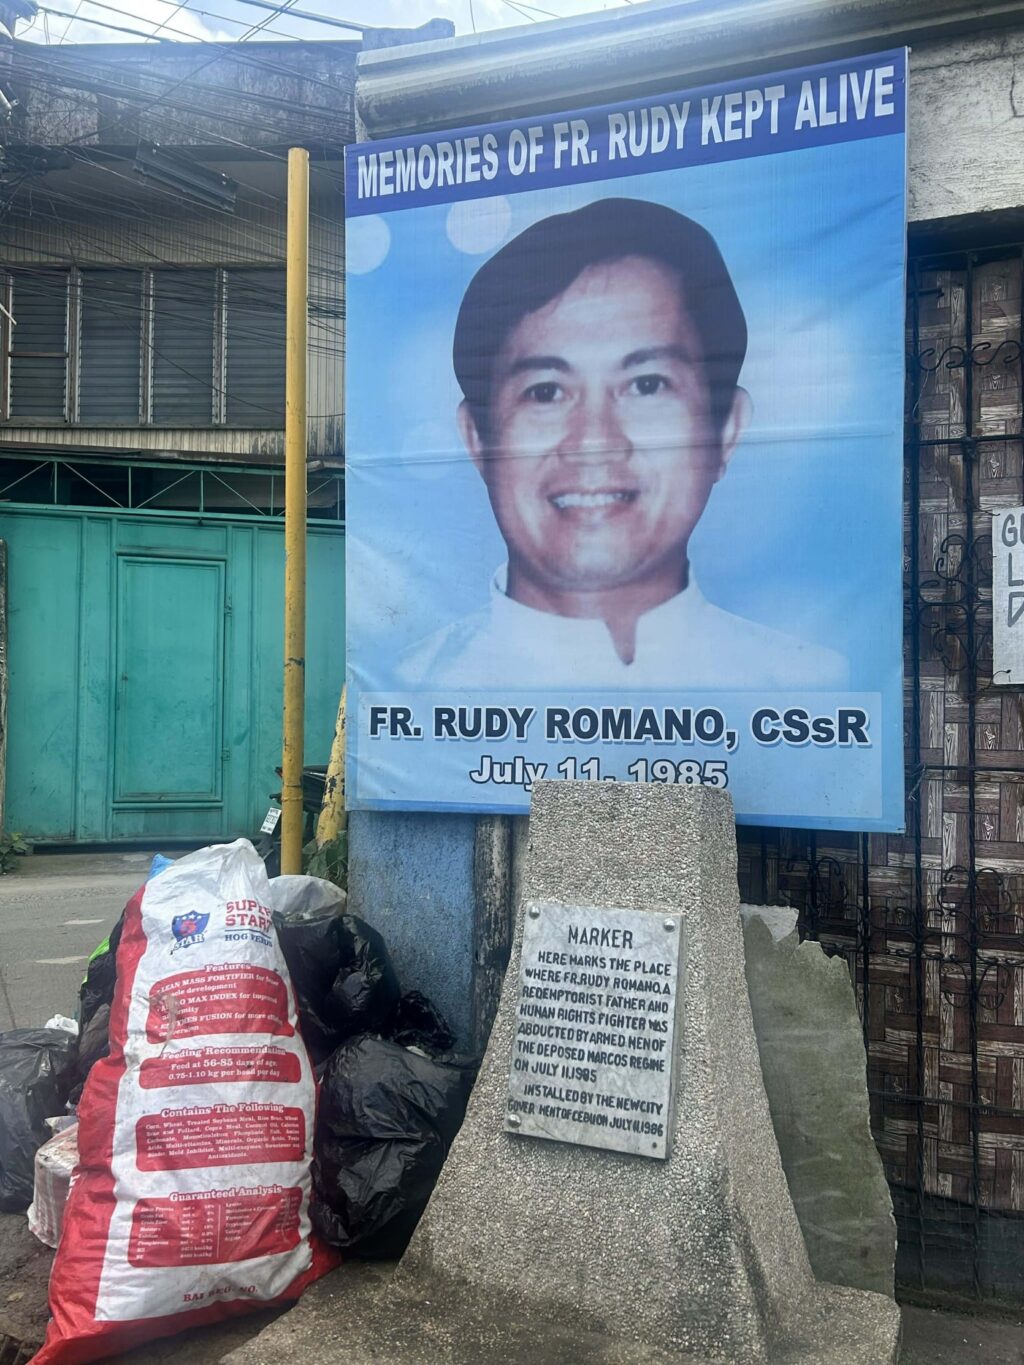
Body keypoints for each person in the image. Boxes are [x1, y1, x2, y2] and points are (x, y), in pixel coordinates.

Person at [397, 197, 848, 689]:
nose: (594, 441)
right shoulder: (411, 691)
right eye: (546, 392)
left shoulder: (808, 690)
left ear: (727, 431)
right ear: (477, 440)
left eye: (647, 385)